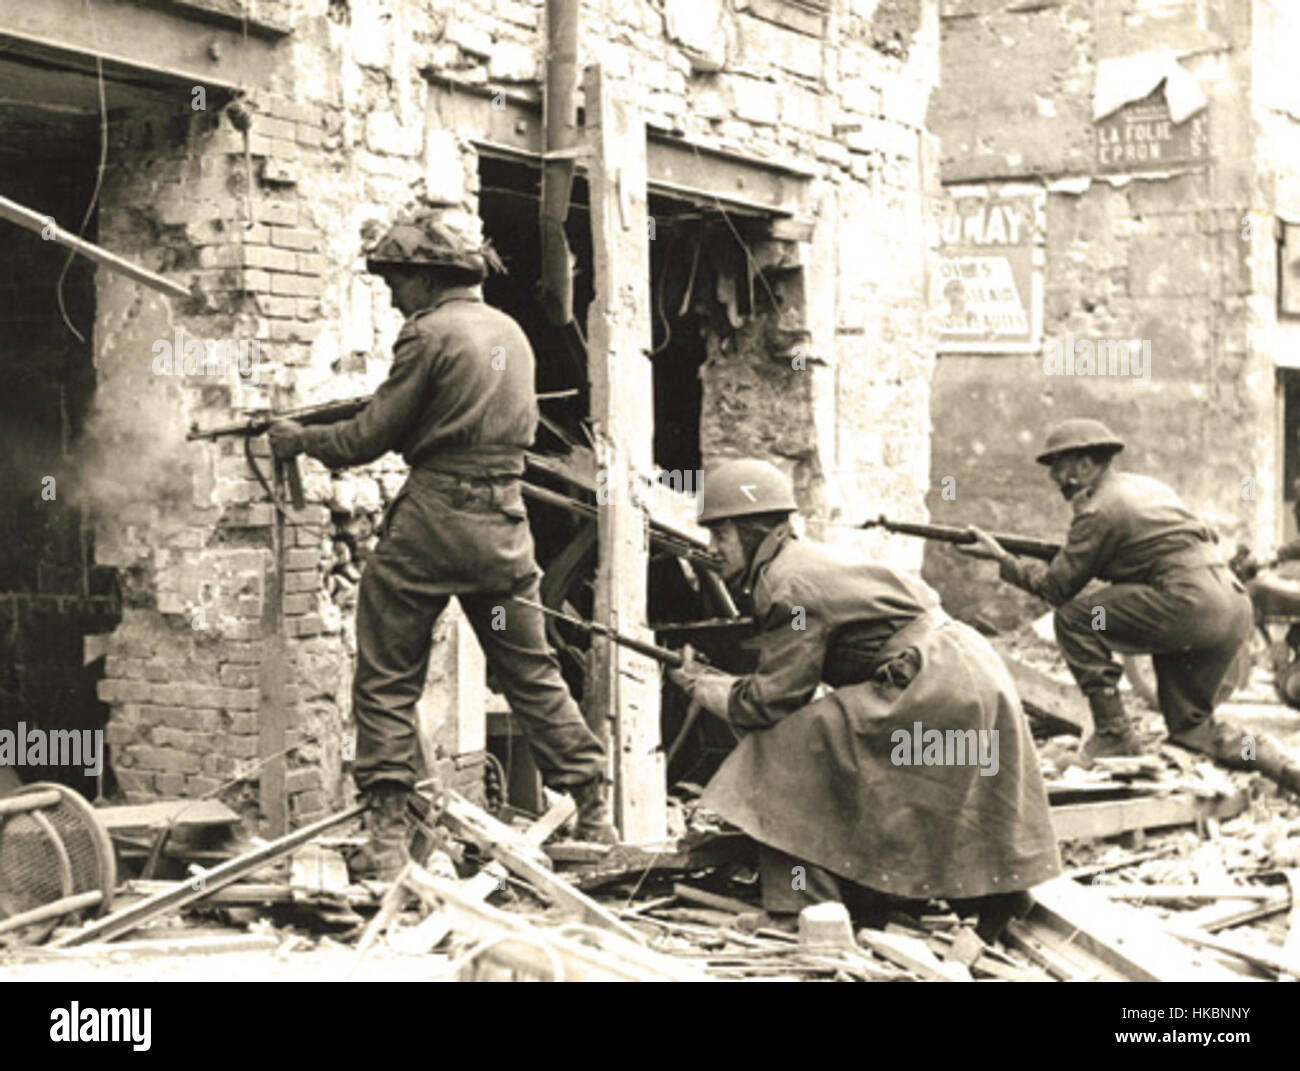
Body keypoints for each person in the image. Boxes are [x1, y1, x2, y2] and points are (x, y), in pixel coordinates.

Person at [269, 210, 615, 879]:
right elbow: (446, 410)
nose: (395, 295)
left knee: (386, 678)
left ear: (427, 276)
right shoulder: (509, 331)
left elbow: (369, 439)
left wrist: (301, 440)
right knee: (531, 673)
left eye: (398, 280)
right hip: (503, 526)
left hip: (432, 522)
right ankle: (594, 808)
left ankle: (389, 838)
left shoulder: (425, 333)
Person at [666, 458, 1061, 937]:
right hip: (961, 667)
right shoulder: (798, 561)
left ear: (752, 532)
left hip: (930, 681)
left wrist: (699, 683)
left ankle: (800, 909)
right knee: (904, 775)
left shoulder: (788, 584)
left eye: (720, 536)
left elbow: (773, 702)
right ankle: (982, 897)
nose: (714, 549)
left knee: (777, 757)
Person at [965, 418, 1300, 793]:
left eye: (1060, 467)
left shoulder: (1098, 511)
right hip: (1231, 604)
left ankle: (1113, 733)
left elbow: (1057, 588)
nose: (1055, 479)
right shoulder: (1148, 488)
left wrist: (1002, 559)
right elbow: (1170, 546)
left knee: (1076, 618)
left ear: (1087, 464)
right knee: (1192, 729)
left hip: (1186, 604)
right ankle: (1280, 765)